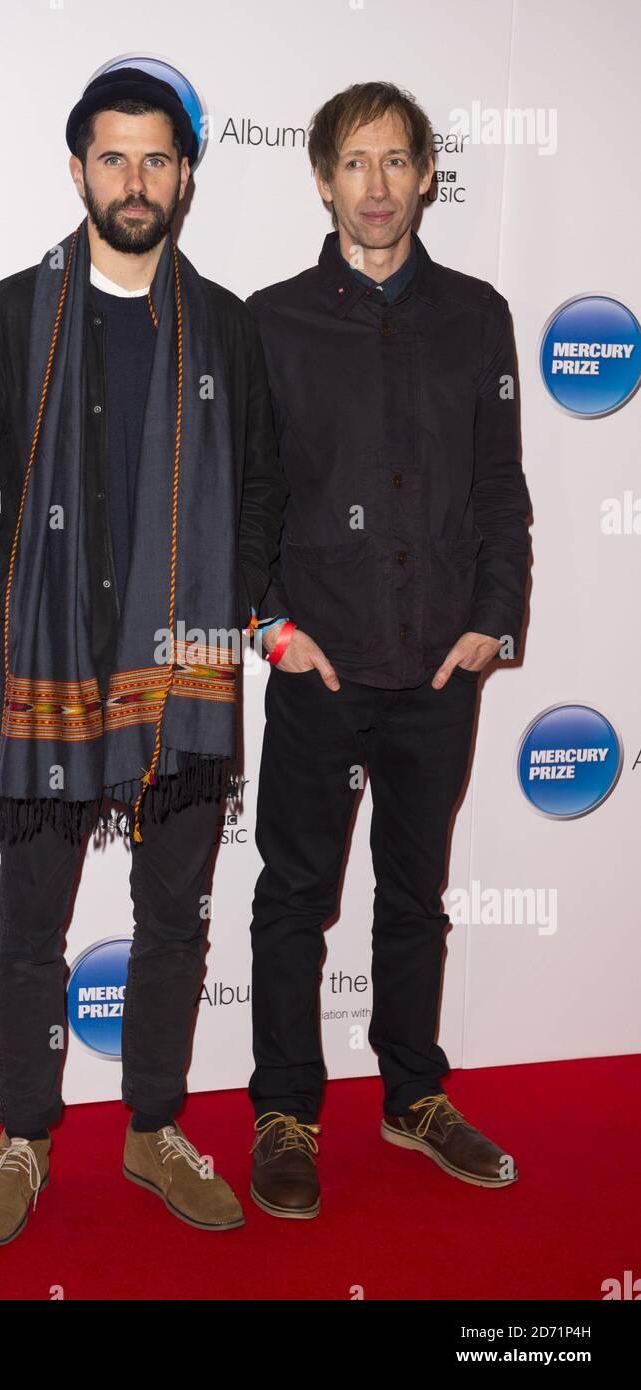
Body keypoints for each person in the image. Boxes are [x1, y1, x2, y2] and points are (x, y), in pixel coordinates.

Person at [0, 68, 287, 1243]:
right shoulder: (9, 315)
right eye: (113, 158)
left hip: (184, 674)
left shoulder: (224, 322)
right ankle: (24, 1135)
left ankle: (151, 1128)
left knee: (174, 915)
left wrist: (225, 605)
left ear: (185, 175)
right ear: (77, 169)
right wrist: (13, 588)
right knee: (31, 920)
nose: (135, 181)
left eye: (156, 159)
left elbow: (264, 485)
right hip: (51, 672)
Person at [244, 81, 532, 1219]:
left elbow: (502, 485)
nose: (374, 185)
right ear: (321, 178)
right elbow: (246, 496)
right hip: (317, 662)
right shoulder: (268, 320)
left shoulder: (477, 314)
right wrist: (268, 623)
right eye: (352, 163)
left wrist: (491, 620)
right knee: (291, 897)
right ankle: (282, 1110)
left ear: (424, 176)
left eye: (395, 161)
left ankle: (411, 1095)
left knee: (415, 896)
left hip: (434, 667)